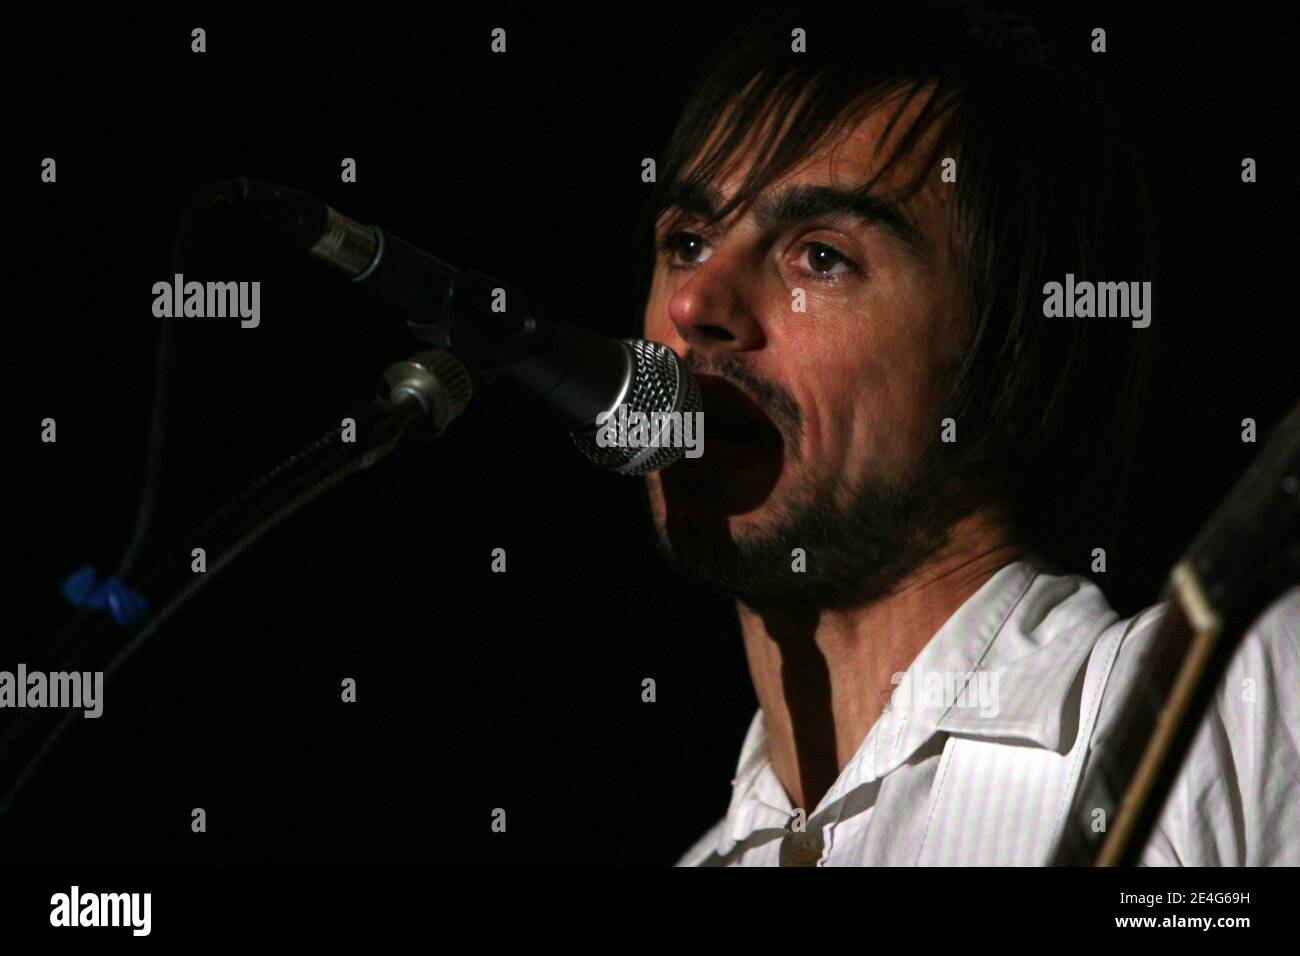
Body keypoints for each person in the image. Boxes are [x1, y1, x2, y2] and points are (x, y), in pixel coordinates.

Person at [635, 0, 1300, 865]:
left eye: (820, 256)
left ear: (1012, 360)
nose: (696, 305)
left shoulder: (1237, 703)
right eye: (687, 242)